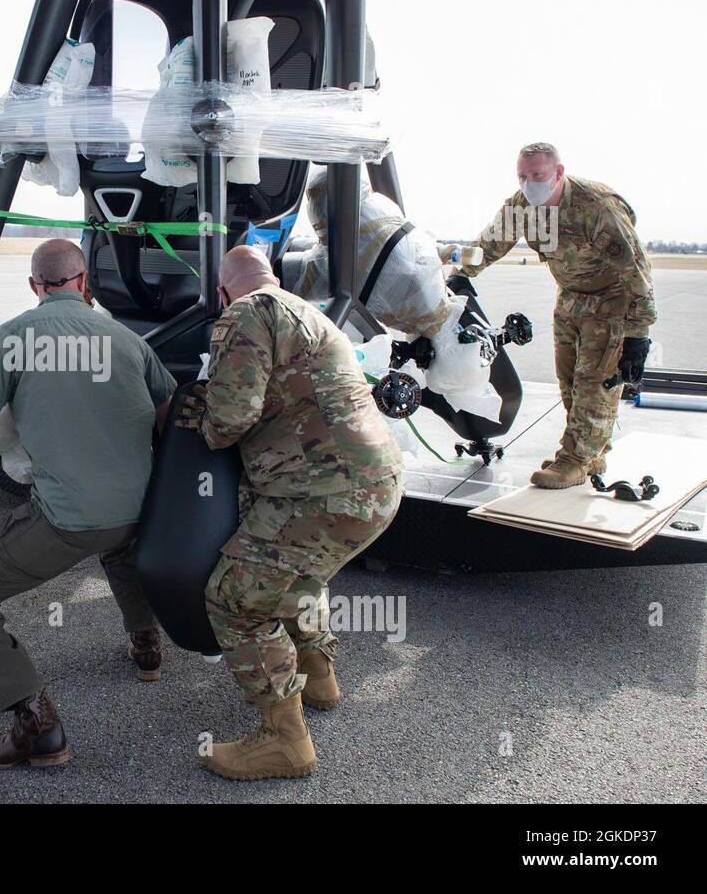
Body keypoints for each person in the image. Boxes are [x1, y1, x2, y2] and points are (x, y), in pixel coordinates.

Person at [0, 238, 176, 769]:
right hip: (137, 512)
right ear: (85, 283)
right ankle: (147, 646)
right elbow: (168, 416)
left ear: (35, 287)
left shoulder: (13, 340)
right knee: (118, 545)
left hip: (67, 519)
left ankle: (37, 727)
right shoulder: (128, 340)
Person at [179, 246, 403, 780]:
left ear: (222, 291)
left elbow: (231, 416)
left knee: (237, 599)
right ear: (271, 276)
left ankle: (285, 742)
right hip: (375, 484)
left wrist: (197, 421)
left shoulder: (245, 313)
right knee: (297, 575)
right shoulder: (309, 312)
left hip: (323, 493)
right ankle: (319, 676)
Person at [452, 143, 656, 488]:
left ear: (558, 173)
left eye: (537, 175)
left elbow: (636, 269)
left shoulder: (594, 206)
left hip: (612, 303)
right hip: (570, 299)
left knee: (595, 384)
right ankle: (591, 454)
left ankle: (575, 460)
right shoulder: (521, 206)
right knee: (569, 384)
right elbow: (490, 243)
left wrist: (639, 333)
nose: (529, 182)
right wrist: (462, 274)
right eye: (522, 175)